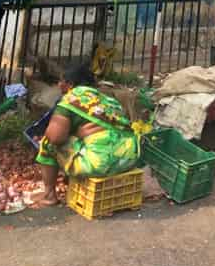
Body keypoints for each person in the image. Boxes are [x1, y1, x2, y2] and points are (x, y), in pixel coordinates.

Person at [27, 61, 141, 209]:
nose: (59, 85)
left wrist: (66, 133)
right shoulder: (109, 100)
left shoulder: (70, 100)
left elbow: (55, 137)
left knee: (48, 143)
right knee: (79, 139)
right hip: (129, 159)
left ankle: (49, 197)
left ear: (69, 84)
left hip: (101, 163)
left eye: (61, 81)